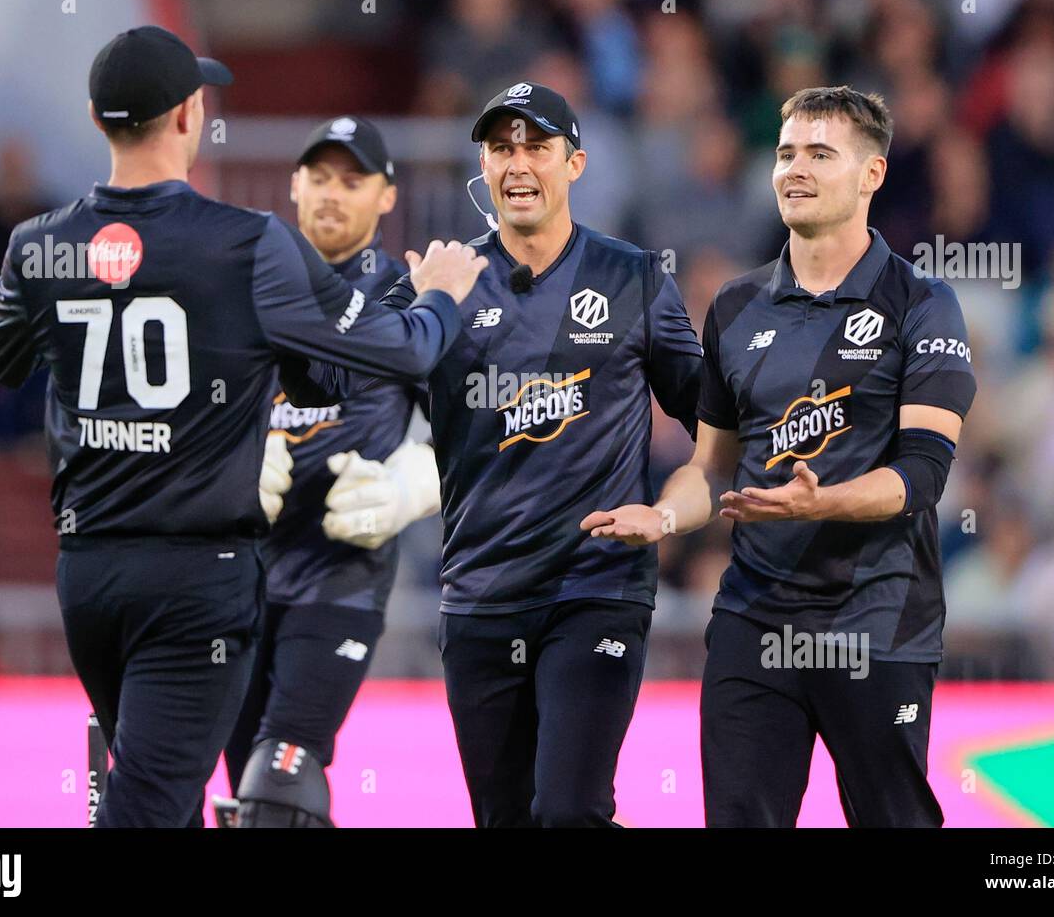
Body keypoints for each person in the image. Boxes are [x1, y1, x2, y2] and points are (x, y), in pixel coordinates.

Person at [0, 26, 484, 827]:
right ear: (189, 117)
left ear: (94, 117)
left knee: (162, 786)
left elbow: (0, 361)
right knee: (158, 803)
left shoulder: (36, 245)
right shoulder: (246, 246)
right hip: (200, 575)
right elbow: (406, 349)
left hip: (89, 574)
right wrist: (445, 296)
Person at [583, 86, 977, 827]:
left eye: (820, 154)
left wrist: (819, 502)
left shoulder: (923, 304)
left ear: (873, 174)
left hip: (878, 621)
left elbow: (923, 475)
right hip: (753, 621)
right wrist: (667, 514)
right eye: (786, 152)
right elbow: (711, 467)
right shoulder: (735, 306)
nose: (795, 168)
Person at [325, 82, 703, 826]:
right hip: (480, 596)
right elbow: (347, 383)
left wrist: (666, 513)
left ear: (576, 164)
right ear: (484, 166)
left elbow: (711, 421)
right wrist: (424, 300)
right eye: (502, 147)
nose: (518, 161)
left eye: (537, 146)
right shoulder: (442, 283)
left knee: (567, 811)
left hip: (597, 589)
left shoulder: (633, 278)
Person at [221, 117, 439, 827]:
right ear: (293, 185)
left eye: (352, 181)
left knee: (279, 777)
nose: (331, 195)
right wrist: (227, 470)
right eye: (319, 177)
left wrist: (415, 484)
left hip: (338, 579)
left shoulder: (406, 300)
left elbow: (478, 435)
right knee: (249, 788)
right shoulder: (238, 290)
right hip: (232, 581)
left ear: (385, 196)